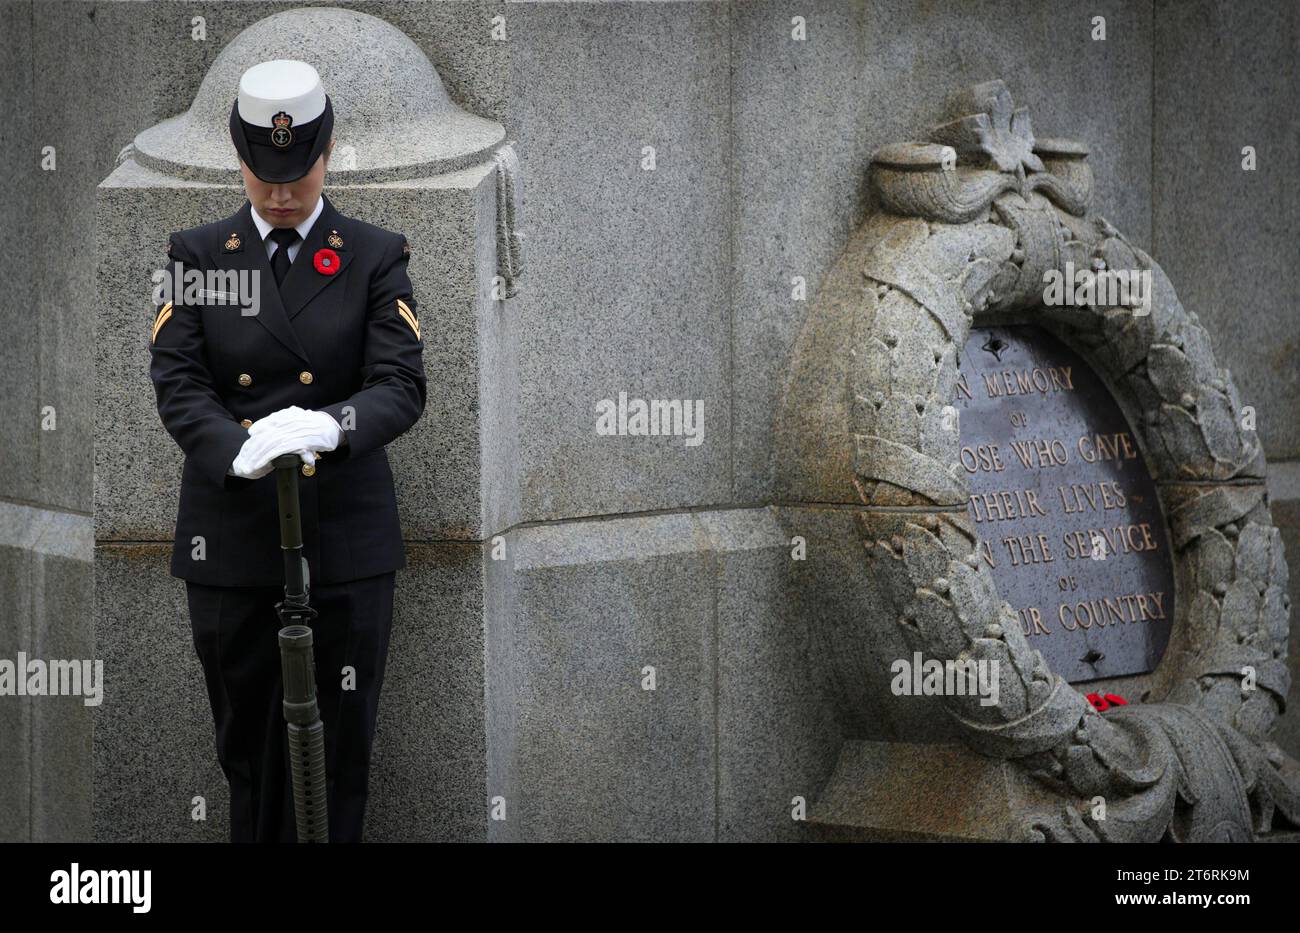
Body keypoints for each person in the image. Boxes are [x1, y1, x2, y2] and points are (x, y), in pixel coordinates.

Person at [148, 59, 426, 842]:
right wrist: (234, 448)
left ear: (327, 151)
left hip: (341, 540)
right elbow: (178, 381)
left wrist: (330, 424)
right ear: (238, 155)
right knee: (250, 755)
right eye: (264, 173)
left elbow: (400, 383)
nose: (279, 192)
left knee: (337, 760)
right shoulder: (200, 256)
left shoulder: (374, 255)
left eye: (296, 172)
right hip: (233, 540)